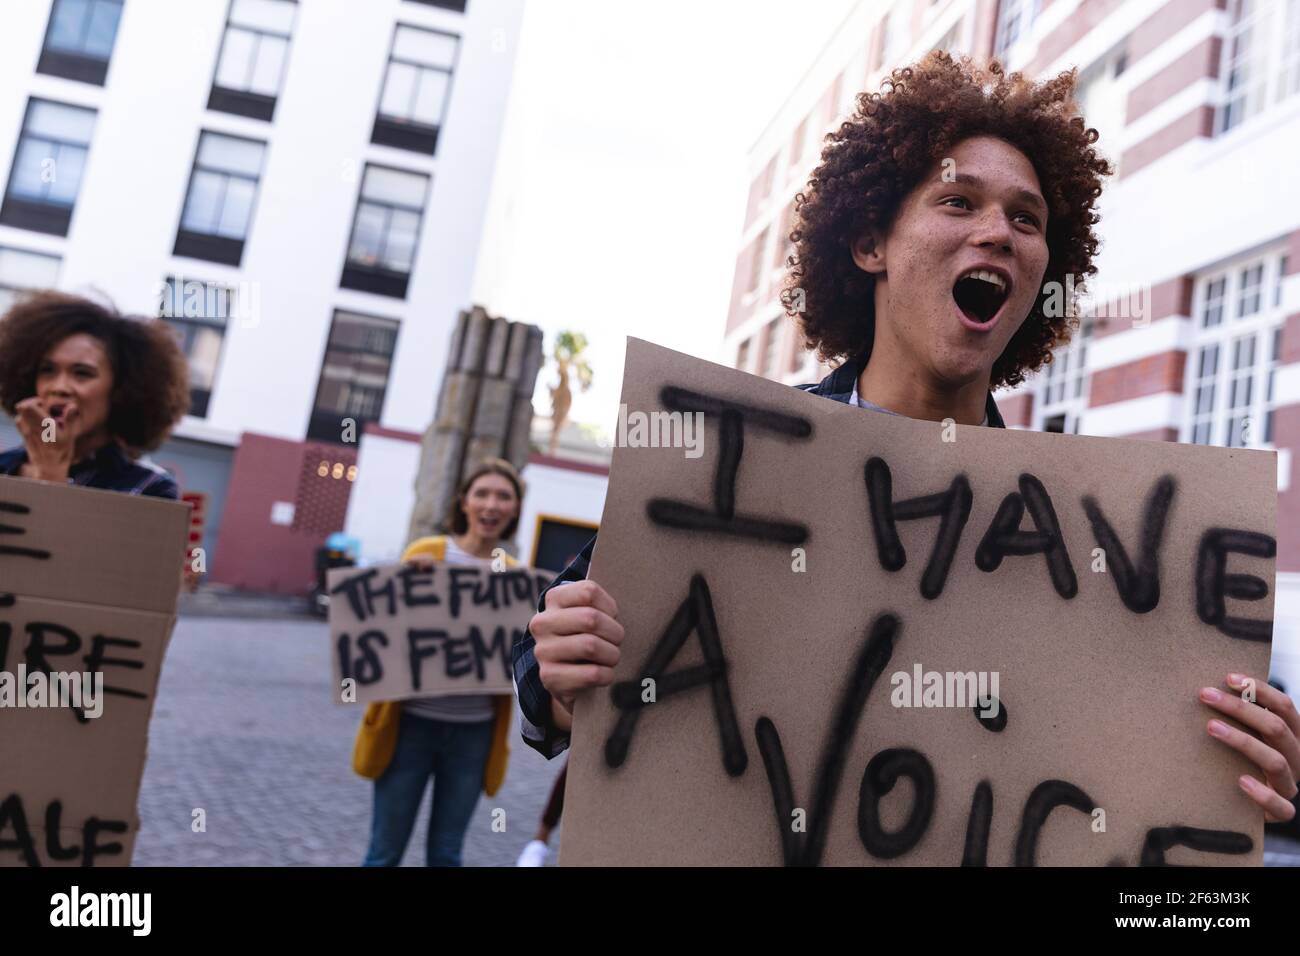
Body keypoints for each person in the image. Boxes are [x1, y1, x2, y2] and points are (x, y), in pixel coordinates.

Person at [514, 53, 1300, 828]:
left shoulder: (1102, 535)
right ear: (869, 244)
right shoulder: (730, 460)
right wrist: (559, 676)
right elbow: (554, 665)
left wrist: (1241, 766)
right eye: (958, 202)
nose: (998, 231)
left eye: (1027, 219)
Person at [358, 458, 525, 866]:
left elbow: (517, 662)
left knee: (447, 855)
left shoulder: (516, 576)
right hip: (409, 726)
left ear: (515, 509)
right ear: (463, 502)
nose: (492, 504)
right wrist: (403, 587)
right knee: (384, 853)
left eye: (504, 496)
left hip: (473, 735)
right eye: (482, 493)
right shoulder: (425, 553)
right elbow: (379, 634)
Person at [0, 290, 189, 498]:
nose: (59, 387)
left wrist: (50, 475)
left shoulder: (150, 489)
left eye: (82, 373)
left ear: (120, 388)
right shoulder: (5, 466)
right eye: (47, 370)